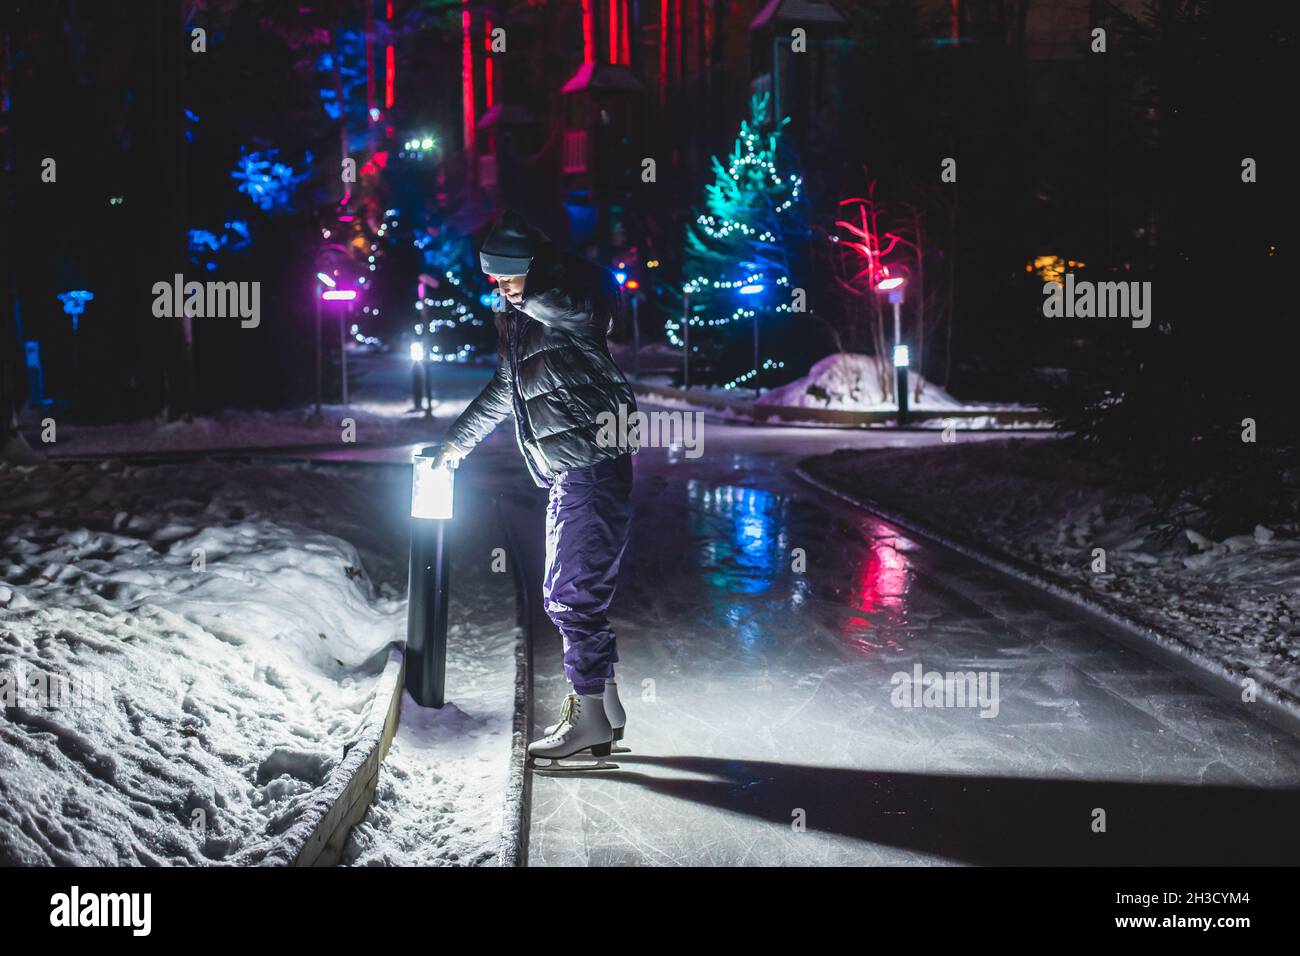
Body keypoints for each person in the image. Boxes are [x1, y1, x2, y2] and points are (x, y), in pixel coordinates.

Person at [435, 210, 636, 765]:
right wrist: (456, 444)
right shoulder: (526, 322)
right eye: (493, 279)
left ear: (532, 269)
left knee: (570, 596)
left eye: (505, 276)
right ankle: (608, 706)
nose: (498, 288)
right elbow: (505, 391)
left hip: (590, 467)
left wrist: (530, 286)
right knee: (575, 592)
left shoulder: (570, 305)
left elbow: (578, 300)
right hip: (571, 470)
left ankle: (590, 717)